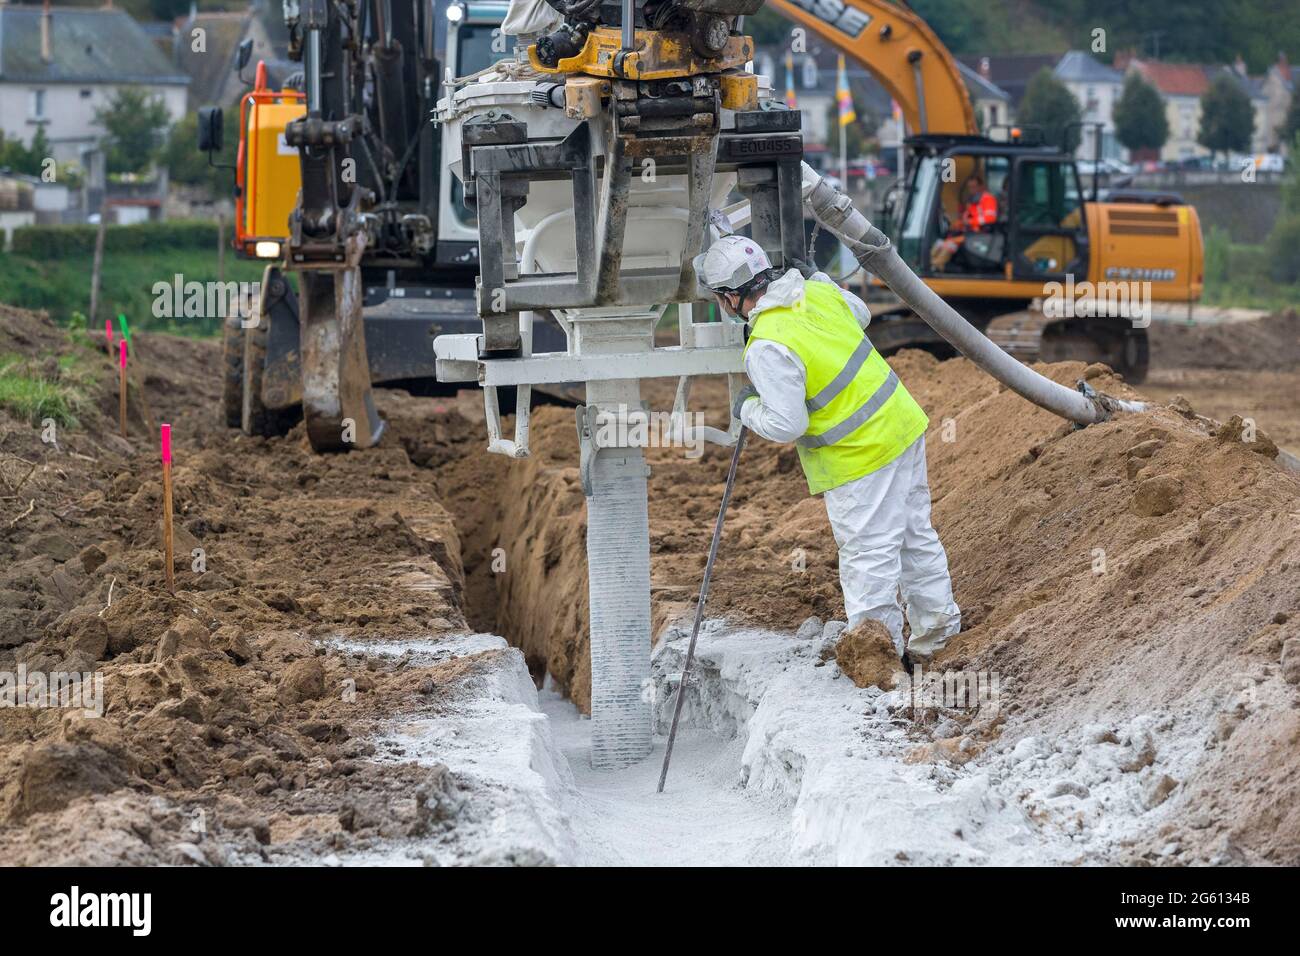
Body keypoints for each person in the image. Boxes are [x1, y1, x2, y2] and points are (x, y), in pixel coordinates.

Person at [693, 236, 961, 665]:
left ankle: (879, 660)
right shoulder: (814, 290)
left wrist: (747, 408)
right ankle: (938, 636)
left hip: (859, 454)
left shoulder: (767, 344)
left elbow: (787, 424)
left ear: (729, 299)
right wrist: (820, 276)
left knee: (868, 556)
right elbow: (860, 313)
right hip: (902, 425)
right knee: (914, 536)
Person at [930, 173, 999, 271]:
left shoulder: (988, 199)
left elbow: (990, 218)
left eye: (974, 187)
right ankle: (930, 263)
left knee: (950, 243)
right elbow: (966, 218)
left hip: (979, 234)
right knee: (941, 242)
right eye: (970, 187)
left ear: (981, 186)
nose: (972, 190)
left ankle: (937, 265)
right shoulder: (972, 201)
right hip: (968, 232)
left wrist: (970, 222)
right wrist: (958, 223)